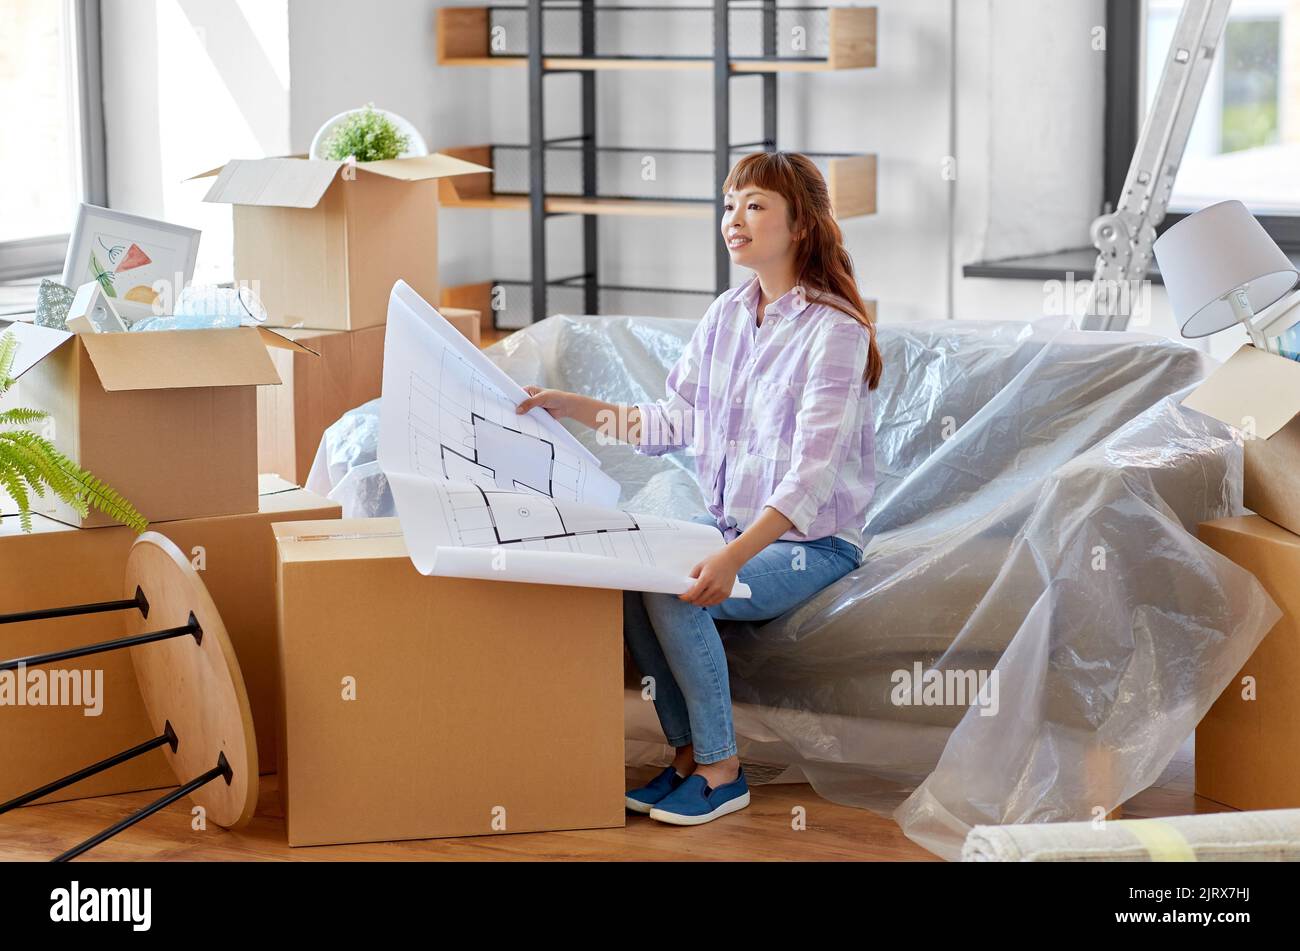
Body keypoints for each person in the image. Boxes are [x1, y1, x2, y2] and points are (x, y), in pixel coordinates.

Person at [515, 151, 882, 826]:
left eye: (755, 205)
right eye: (728, 203)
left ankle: (722, 767)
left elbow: (811, 478)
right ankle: (685, 755)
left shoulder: (836, 330)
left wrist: (730, 557)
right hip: (731, 528)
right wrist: (572, 404)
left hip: (815, 544)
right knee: (634, 574)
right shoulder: (727, 315)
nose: (733, 219)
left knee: (679, 584)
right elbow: (668, 423)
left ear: (800, 224)